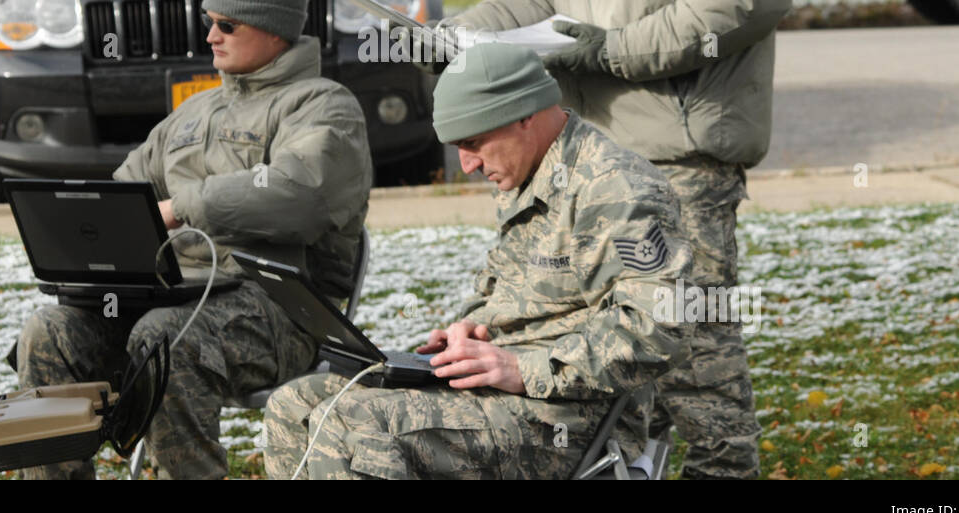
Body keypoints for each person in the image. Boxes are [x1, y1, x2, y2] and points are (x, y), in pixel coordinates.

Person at [438, 0, 802, 479]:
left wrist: (608, 50)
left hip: (678, 156)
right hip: (587, 160)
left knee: (696, 366)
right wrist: (472, 33)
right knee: (599, 358)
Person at [15, 0, 372, 479]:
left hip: (279, 308)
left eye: (227, 24)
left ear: (274, 30)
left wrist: (182, 208)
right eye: (210, 23)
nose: (211, 36)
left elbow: (300, 196)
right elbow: (124, 193)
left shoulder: (323, 108)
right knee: (50, 332)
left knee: (164, 339)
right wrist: (80, 236)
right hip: (172, 296)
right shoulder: (193, 113)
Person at [262, 42, 692, 480]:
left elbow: (660, 326)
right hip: (502, 395)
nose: (466, 165)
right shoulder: (529, 172)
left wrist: (522, 367)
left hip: (570, 417)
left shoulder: (617, 190)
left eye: (473, 143)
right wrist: (470, 328)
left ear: (525, 114)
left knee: (356, 423)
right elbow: (508, 289)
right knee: (296, 403)